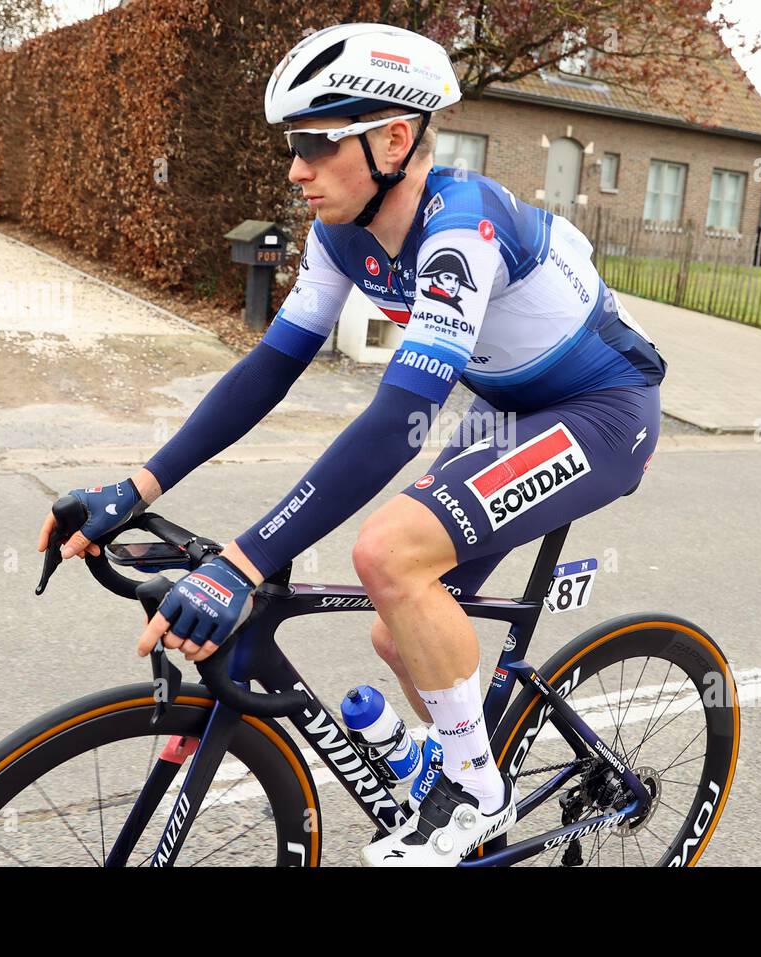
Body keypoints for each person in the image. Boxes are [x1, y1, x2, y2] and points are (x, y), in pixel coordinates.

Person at [37, 22, 666, 865]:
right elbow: (269, 370)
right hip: (509, 409)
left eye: (315, 143)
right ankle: (460, 771)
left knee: (386, 554)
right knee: (393, 628)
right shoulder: (340, 235)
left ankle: (477, 793)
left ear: (394, 140)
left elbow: (392, 417)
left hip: (605, 411)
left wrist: (242, 561)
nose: (295, 169)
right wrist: (135, 489)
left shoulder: (461, 229)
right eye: (292, 146)